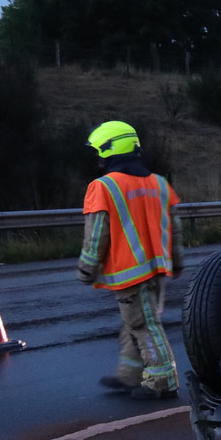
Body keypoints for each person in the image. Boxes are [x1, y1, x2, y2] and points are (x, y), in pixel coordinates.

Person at [77, 121, 183, 400]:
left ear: (110, 148)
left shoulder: (103, 186)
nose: (97, 157)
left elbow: (96, 234)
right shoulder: (159, 183)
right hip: (157, 269)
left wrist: (86, 269)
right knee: (135, 323)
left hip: (129, 273)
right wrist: (177, 261)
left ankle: (163, 382)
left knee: (143, 325)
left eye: (99, 150)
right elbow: (174, 227)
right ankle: (130, 377)